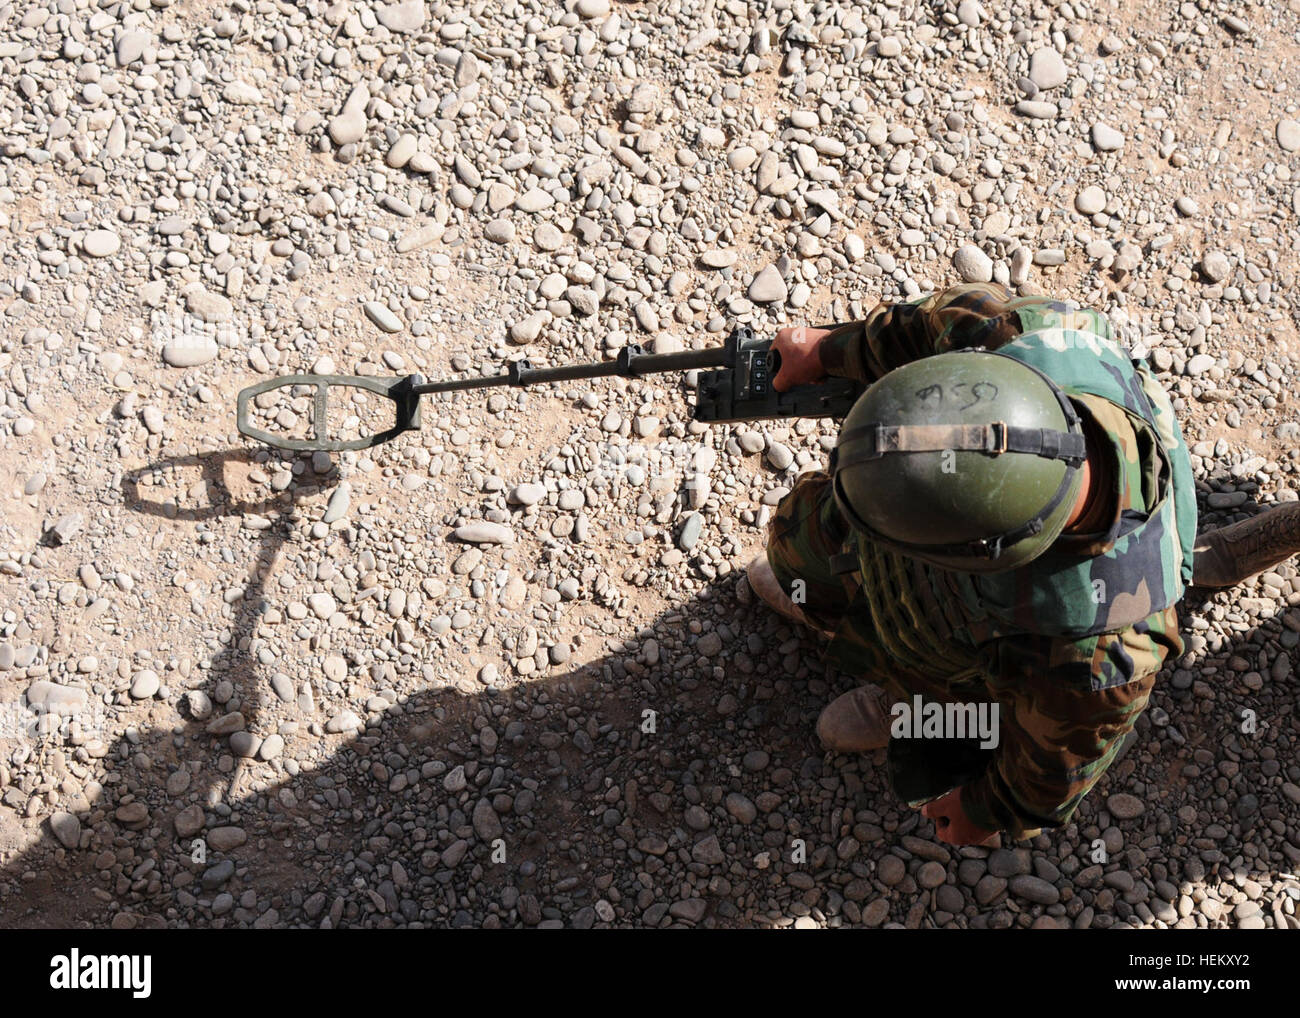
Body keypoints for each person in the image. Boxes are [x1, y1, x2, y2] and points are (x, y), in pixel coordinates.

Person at [746, 282, 1300, 846]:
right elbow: (922, 327)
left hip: (984, 647)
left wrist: (984, 812)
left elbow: (1051, 771)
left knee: (966, 673)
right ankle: (823, 594)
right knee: (810, 540)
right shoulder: (1041, 331)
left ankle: (912, 694)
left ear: (987, 559)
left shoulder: (1096, 656)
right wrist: (825, 350)